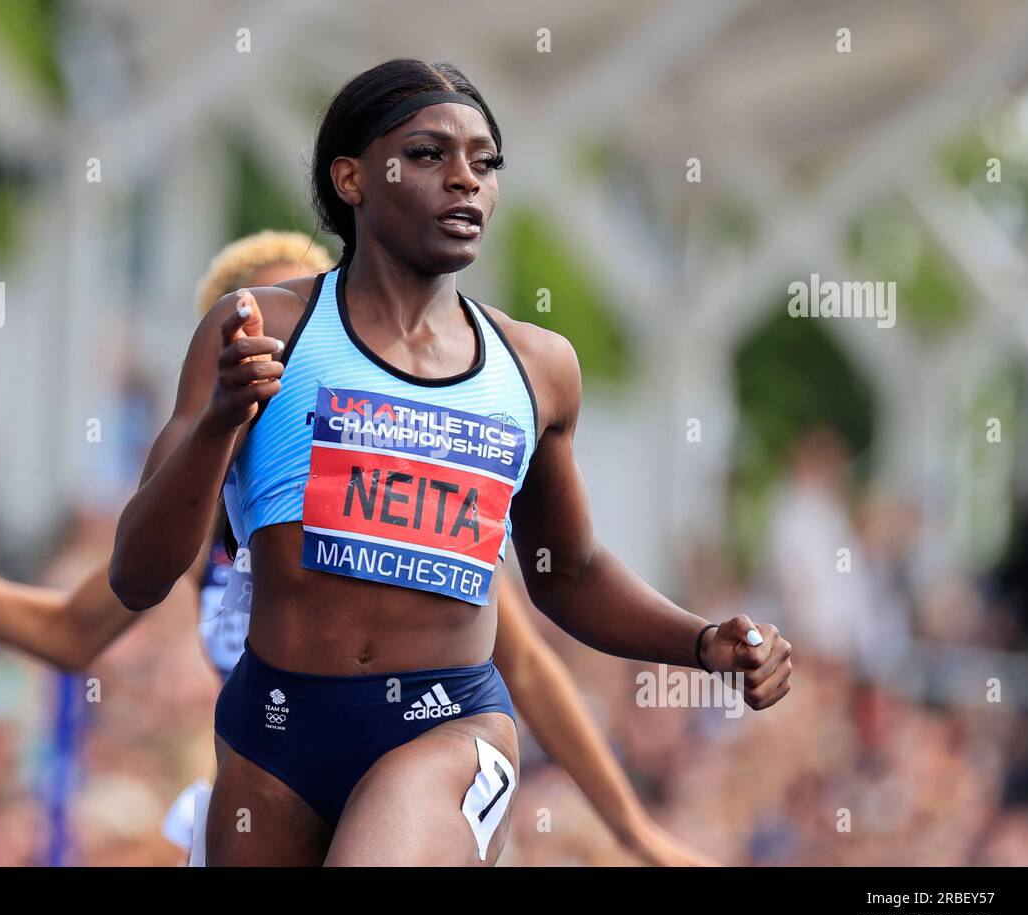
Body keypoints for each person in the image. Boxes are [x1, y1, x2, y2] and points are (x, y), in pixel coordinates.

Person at [0, 228, 716, 867]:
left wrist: (638, 834)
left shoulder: (396, 509)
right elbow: (70, 632)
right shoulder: (199, 517)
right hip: (270, 785)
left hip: (424, 784)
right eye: (290, 327)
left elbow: (530, 668)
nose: (321, 352)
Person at [108, 58, 792, 866]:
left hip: (446, 725)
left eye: (486, 161)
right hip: (275, 730)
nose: (466, 180)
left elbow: (565, 573)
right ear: (352, 178)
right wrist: (220, 421)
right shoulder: (266, 329)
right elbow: (138, 575)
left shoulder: (537, 367)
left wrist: (702, 639)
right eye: (430, 155)